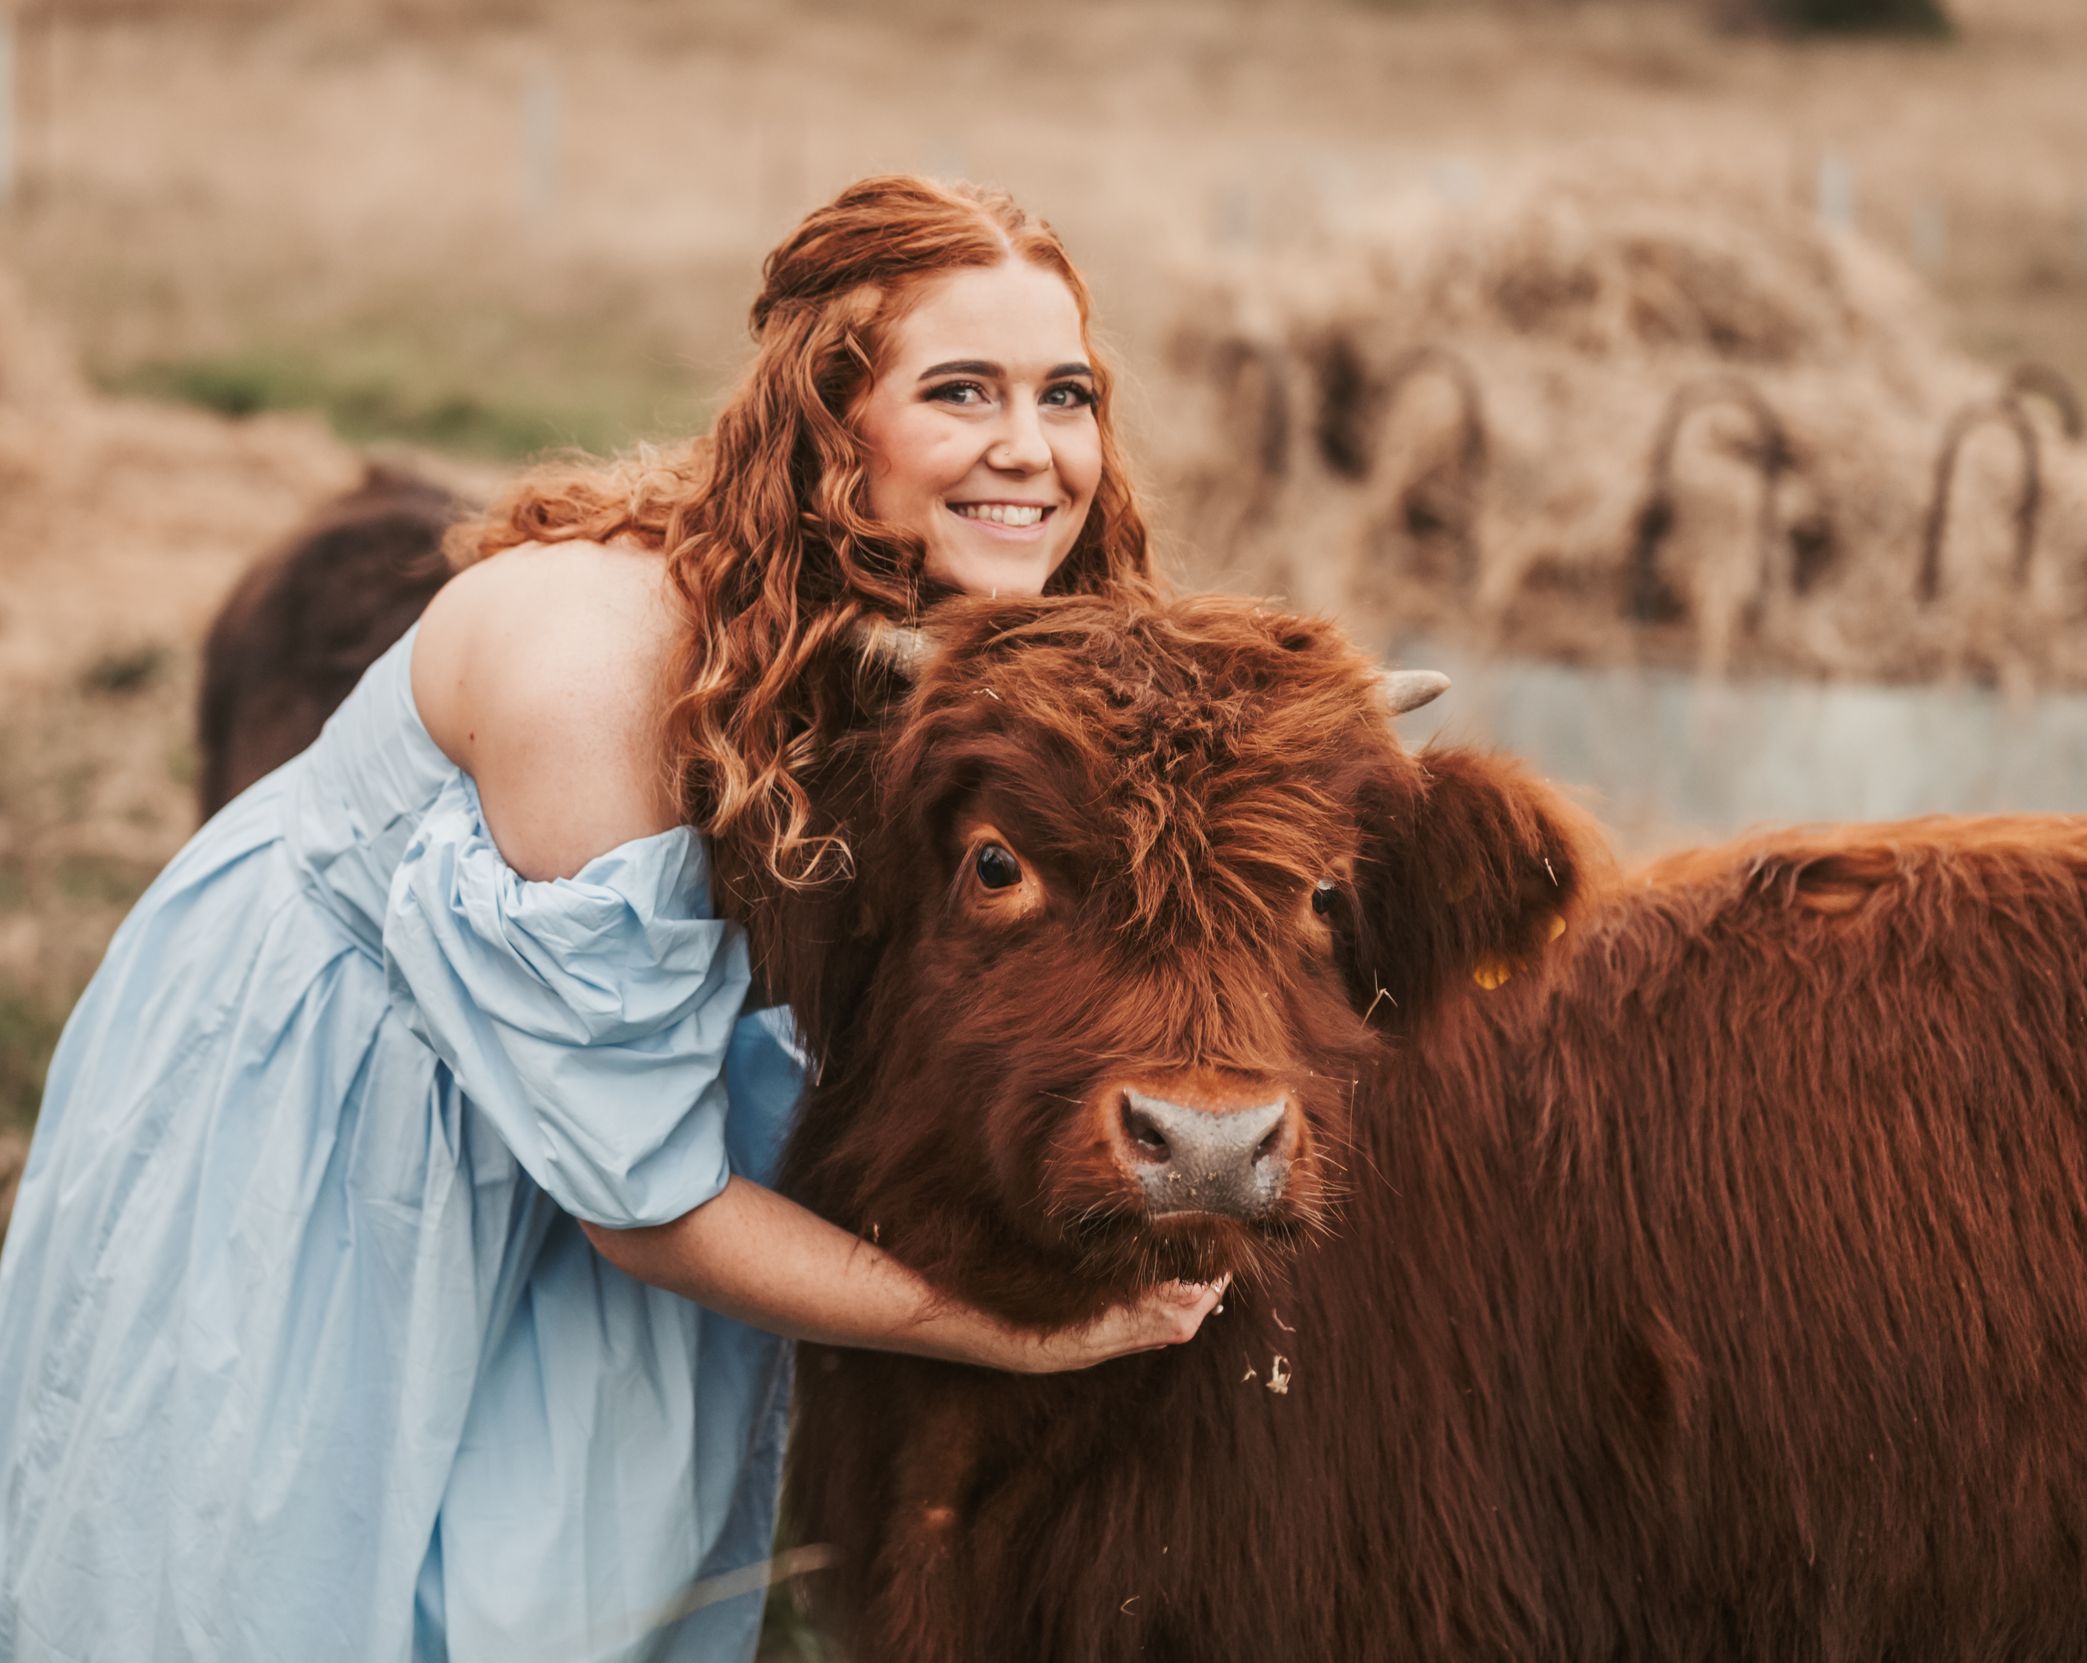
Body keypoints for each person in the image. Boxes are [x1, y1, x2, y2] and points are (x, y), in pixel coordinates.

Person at [0, 176, 1223, 1662]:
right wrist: (1005, 1325)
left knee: (570, 1576)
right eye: (962, 391)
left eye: (1067, 394)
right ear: (827, 420)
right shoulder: (602, 675)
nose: (1031, 449)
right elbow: (646, 1207)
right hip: (343, 1102)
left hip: (618, 1095)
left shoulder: (919, 620)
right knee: (270, 1566)